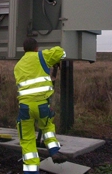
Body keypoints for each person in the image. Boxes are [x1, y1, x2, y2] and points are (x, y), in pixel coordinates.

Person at [14, 38, 69, 174]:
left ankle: (31, 171)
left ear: (24, 49)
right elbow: (61, 53)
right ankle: (54, 151)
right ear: (36, 48)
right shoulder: (42, 56)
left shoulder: (18, 65)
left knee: (27, 139)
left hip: (25, 107)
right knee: (47, 127)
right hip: (42, 105)